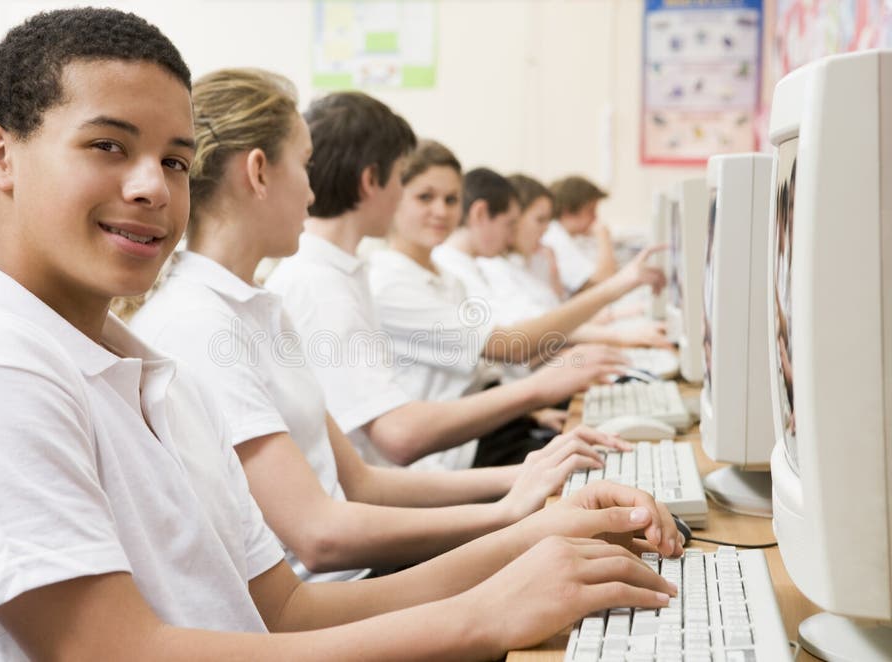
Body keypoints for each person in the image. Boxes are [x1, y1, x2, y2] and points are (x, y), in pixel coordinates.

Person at [0, 9, 680, 660]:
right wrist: (486, 610)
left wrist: (535, 538)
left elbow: (285, 611)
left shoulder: (147, 369)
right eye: (108, 146)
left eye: (175, 160)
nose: (150, 186)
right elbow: (124, 652)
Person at [130, 67, 636, 582]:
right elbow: (320, 536)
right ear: (259, 171)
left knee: (593, 556)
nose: (312, 190)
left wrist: (524, 479)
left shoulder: (261, 307)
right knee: (584, 570)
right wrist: (507, 515)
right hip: (334, 593)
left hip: (356, 569)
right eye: (306, 166)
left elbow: (364, 483)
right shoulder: (202, 322)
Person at [267, 95, 625, 471]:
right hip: (424, 471)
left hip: (409, 474)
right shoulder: (327, 285)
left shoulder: (346, 274)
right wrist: (536, 392)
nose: (308, 189)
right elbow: (398, 440)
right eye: (411, 186)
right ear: (373, 180)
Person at [436, 169, 672, 351]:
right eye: (511, 223)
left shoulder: (482, 265)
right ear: (480, 214)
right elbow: (522, 338)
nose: (546, 230)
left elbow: (545, 322)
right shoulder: (477, 267)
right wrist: (618, 331)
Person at [542, 174, 619, 295]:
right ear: (567, 211)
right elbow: (603, 281)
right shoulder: (555, 238)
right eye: (590, 211)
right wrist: (603, 235)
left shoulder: (574, 237)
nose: (595, 217)